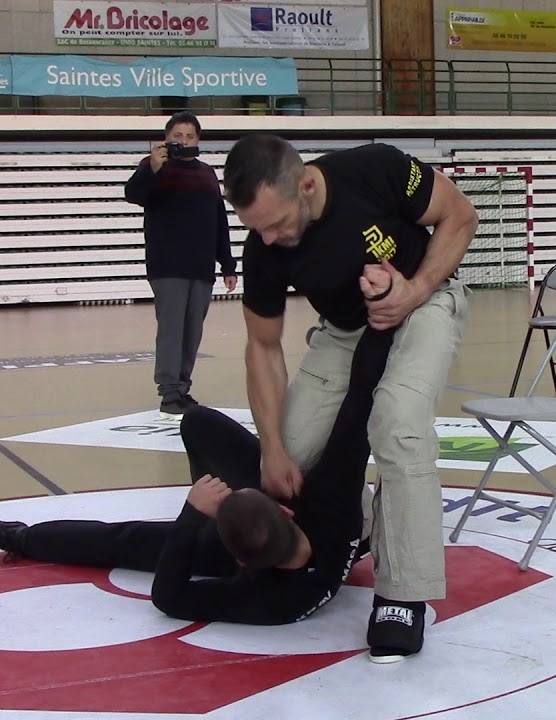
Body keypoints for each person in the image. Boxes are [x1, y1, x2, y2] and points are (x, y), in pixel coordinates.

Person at [0, 272, 396, 628]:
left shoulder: (266, 601)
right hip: (330, 538)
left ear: (239, 560)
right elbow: (357, 410)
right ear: (285, 510)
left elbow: (168, 596)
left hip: (268, 545)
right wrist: (384, 308)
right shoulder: (333, 511)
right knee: (199, 421)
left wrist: (191, 516)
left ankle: (21, 537)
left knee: (126, 541)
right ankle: (213, 495)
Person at [221, 134, 478, 662]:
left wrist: (418, 287)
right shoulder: (264, 246)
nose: (266, 239)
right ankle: (357, 526)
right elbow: (264, 348)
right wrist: (270, 446)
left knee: (398, 422)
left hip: (424, 300)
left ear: (307, 185)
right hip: (344, 330)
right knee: (292, 451)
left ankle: (403, 594)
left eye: (275, 223)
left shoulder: (375, 168)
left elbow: (460, 215)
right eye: (255, 229)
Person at [124, 111, 238, 420]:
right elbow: (133, 194)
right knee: (172, 330)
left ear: (198, 140)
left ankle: (182, 389)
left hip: (201, 267)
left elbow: (219, 221)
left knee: (192, 331)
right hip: (168, 265)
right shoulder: (154, 170)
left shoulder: (206, 174)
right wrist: (152, 167)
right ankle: (169, 393)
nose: (183, 141)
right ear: (166, 138)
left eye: (189, 136)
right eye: (177, 136)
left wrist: (228, 264)